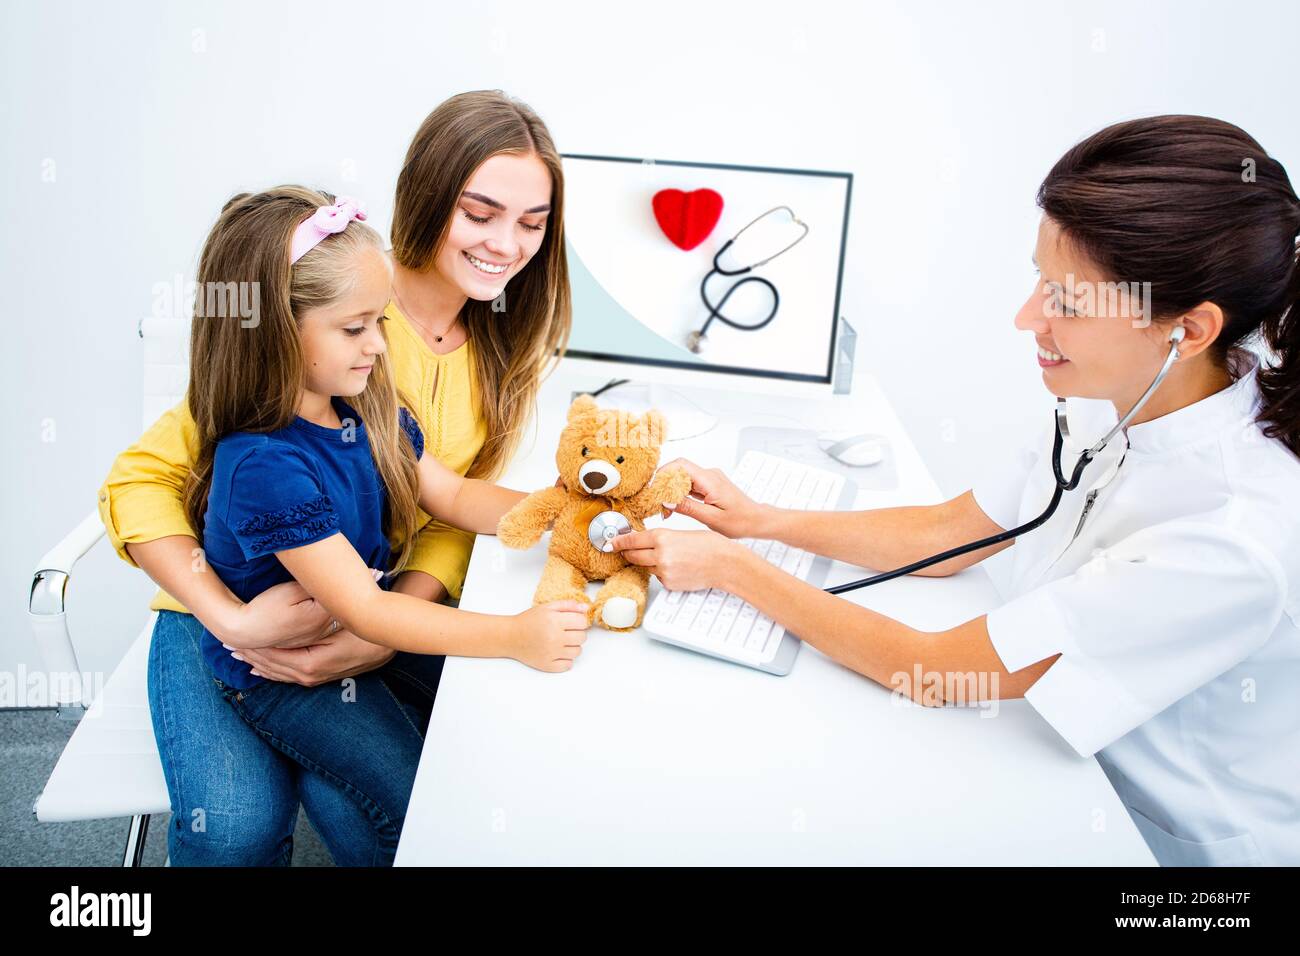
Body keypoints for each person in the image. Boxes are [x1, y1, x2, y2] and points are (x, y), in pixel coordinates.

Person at [613, 115, 1300, 866]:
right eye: (1041, 280)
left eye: (1068, 301)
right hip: (1049, 765)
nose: (1026, 317)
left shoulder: (1235, 536)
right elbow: (955, 530)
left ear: (1188, 330)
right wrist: (759, 520)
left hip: (1158, 847)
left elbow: (936, 670)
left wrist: (731, 570)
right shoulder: (1128, 396)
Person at [98, 90, 575, 865]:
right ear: (427, 198)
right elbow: (138, 482)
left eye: (532, 220)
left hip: (354, 603)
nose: (507, 243)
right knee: (243, 824)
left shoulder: (421, 362)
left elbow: (449, 505)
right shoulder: (301, 353)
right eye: (481, 212)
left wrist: (564, 512)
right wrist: (232, 618)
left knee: (425, 778)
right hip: (236, 614)